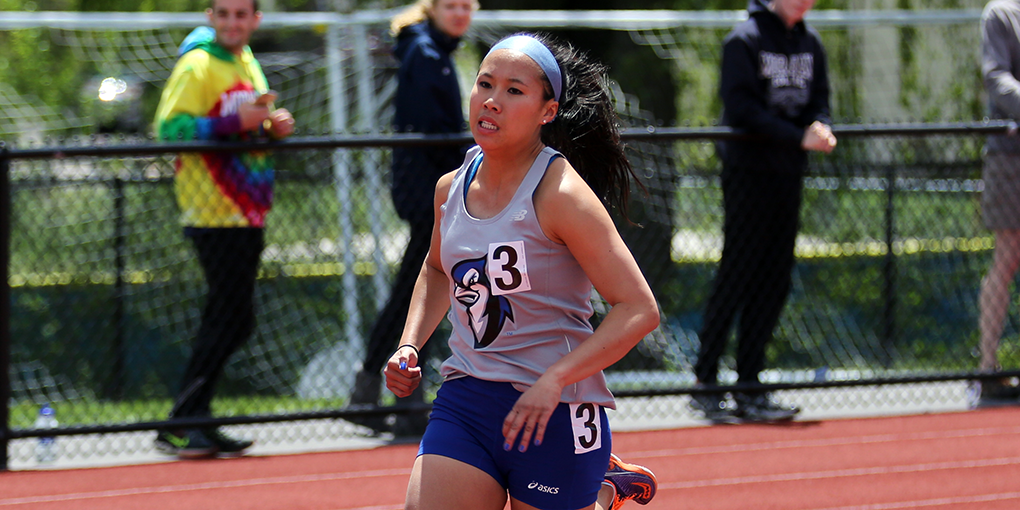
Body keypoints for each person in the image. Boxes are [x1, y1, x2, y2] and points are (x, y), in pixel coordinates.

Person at [382, 33, 660, 510]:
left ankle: (599, 486)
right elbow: (436, 269)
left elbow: (639, 309)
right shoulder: (450, 188)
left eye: (514, 91)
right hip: (467, 400)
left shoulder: (562, 195)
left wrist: (555, 379)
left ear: (546, 111)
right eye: (484, 84)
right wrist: (409, 343)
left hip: (554, 409)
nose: (491, 101)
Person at [152, 0, 295, 458]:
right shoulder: (196, 65)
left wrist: (271, 128)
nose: (233, 23)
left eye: (242, 14)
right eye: (225, 14)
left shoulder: (247, 61)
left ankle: (195, 418)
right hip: (211, 210)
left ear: (255, 20)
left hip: (246, 209)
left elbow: (249, 124)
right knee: (228, 316)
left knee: (234, 317)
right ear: (211, 17)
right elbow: (169, 130)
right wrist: (238, 121)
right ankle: (182, 421)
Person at [690, 0, 836, 423]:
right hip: (748, 172)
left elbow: (819, 101)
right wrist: (796, 136)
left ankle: (749, 383)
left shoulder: (811, 43)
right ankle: (705, 380)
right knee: (738, 273)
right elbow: (742, 111)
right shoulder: (744, 40)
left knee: (775, 278)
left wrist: (820, 126)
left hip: (788, 175)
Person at [349, 0, 476, 436]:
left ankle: (380, 395)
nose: (460, 13)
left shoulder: (430, 50)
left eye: (466, 5)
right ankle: (390, 397)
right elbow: (435, 131)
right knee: (419, 291)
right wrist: (474, 162)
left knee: (417, 291)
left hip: (428, 189)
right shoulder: (424, 53)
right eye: (450, 5)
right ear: (432, 8)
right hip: (429, 192)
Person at [977, 0, 1020, 408]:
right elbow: (996, 77)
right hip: (1012, 158)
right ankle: (988, 368)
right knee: (1007, 257)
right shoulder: (1001, 14)